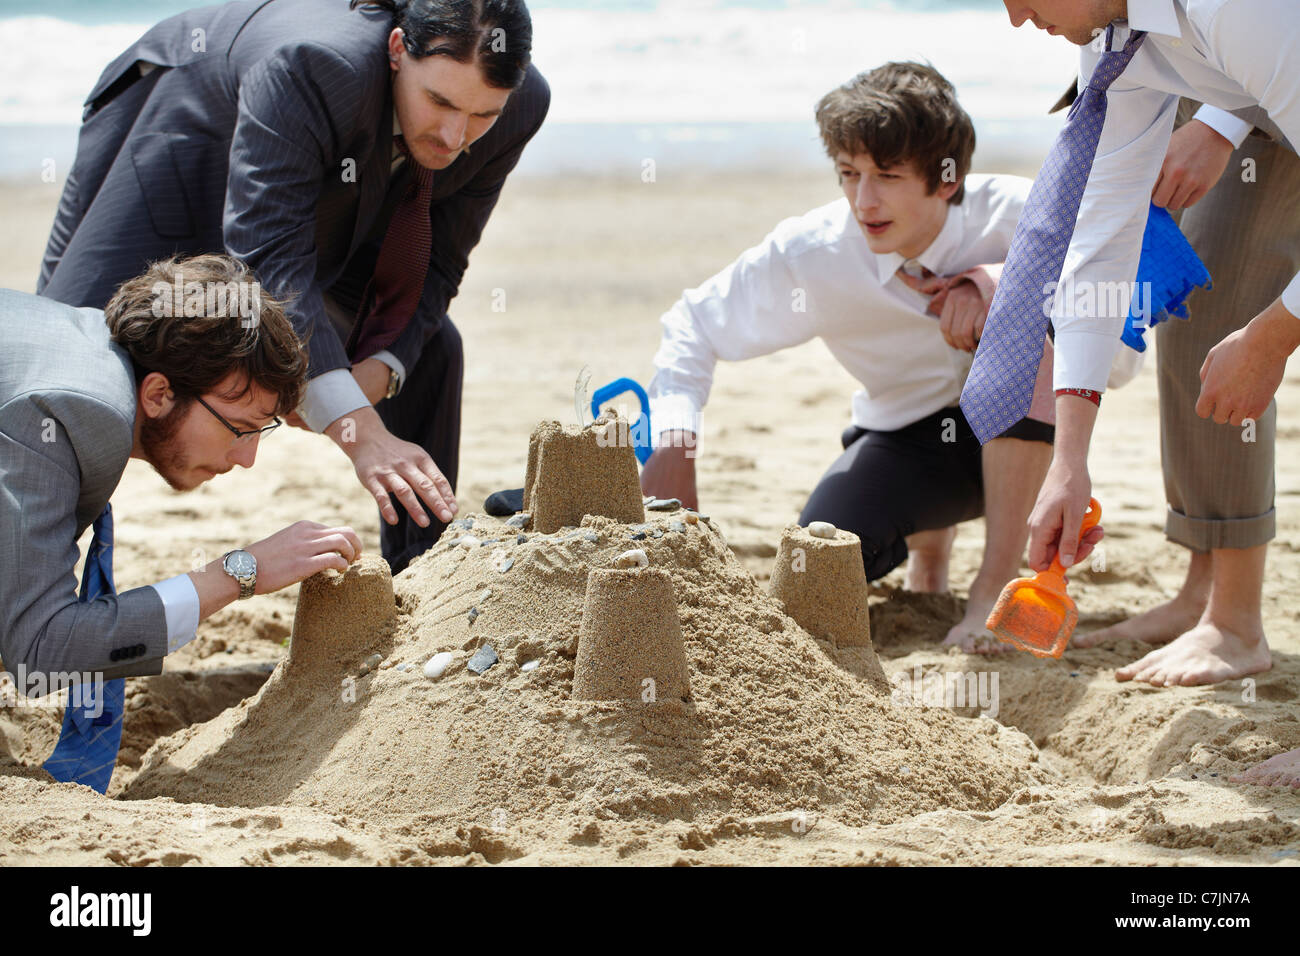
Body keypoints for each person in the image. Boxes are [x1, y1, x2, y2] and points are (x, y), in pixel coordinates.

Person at [36, 0, 551, 575]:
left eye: (482, 114)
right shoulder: (313, 62)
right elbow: (267, 256)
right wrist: (359, 431)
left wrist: (373, 374)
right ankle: (31, 580)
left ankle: (422, 582)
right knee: (76, 359)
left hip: (335, 171)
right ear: (398, 49)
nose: (455, 136)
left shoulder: (522, 106)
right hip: (184, 128)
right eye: (440, 102)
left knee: (428, 349)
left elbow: (437, 266)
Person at [641, 62, 1116, 650]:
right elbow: (693, 322)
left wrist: (999, 288)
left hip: (1031, 440)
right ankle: (929, 552)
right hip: (908, 441)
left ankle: (991, 582)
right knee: (813, 575)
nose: (864, 201)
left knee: (1025, 329)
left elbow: (1118, 357)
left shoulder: (1026, 217)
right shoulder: (815, 252)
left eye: (887, 176)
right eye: (849, 174)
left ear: (946, 180)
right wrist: (675, 441)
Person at [988, 1, 1300, 787]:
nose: (1019, 19)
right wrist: (1069, 460)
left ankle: (1233, 618)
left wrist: (1269, 338)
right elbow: (1102, 240)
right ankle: (1214, 602)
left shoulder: (1233, 8)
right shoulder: (1118, 44)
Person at [0, 253, 363, 693]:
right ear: (158, 394)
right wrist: (239, 573)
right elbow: (40, 650)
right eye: (240, 429)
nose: (247, 459)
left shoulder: (88, 349)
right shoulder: (80, 410)